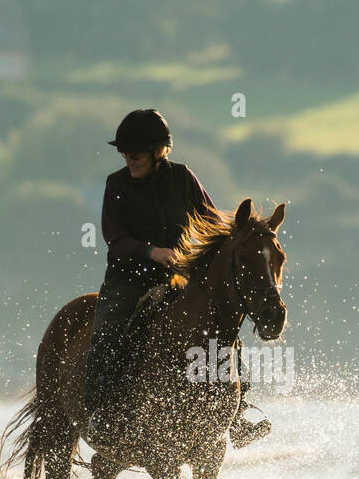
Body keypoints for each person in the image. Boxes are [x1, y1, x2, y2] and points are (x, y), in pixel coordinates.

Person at [85, 108, 270, 448]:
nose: (129, 159)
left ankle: (239, 413)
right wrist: (151, 251)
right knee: (107, 332)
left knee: (223, 330)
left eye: (136, 154)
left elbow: (213, 222)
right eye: (124, 153)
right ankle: (100, 414)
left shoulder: (183, 178)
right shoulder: (116, 184)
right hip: (128, 277)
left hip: (180, 276)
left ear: (159, 151)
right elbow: (115, 237)